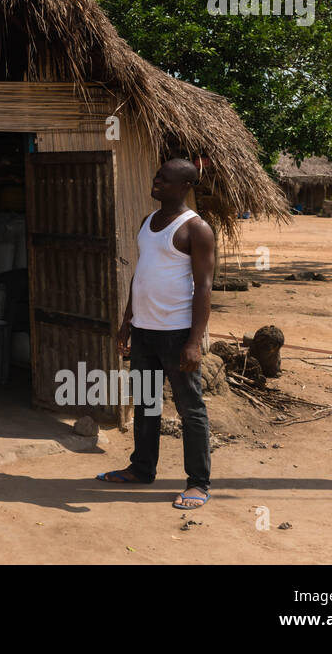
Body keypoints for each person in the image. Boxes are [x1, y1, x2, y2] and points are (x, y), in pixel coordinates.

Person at [95, 158, 216, 509]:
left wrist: (194, 342)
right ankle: (141, 468)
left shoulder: (197, 229)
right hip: (145, 332)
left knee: (190, 409)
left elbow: (204, 287)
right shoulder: (148, 222)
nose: (156, 181)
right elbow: (141, 274)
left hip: (177, 334)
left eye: (165, 178)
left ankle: (198, 483)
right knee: (147, 405)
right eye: (157, 175)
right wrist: (127, 322)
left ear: (185, 186)